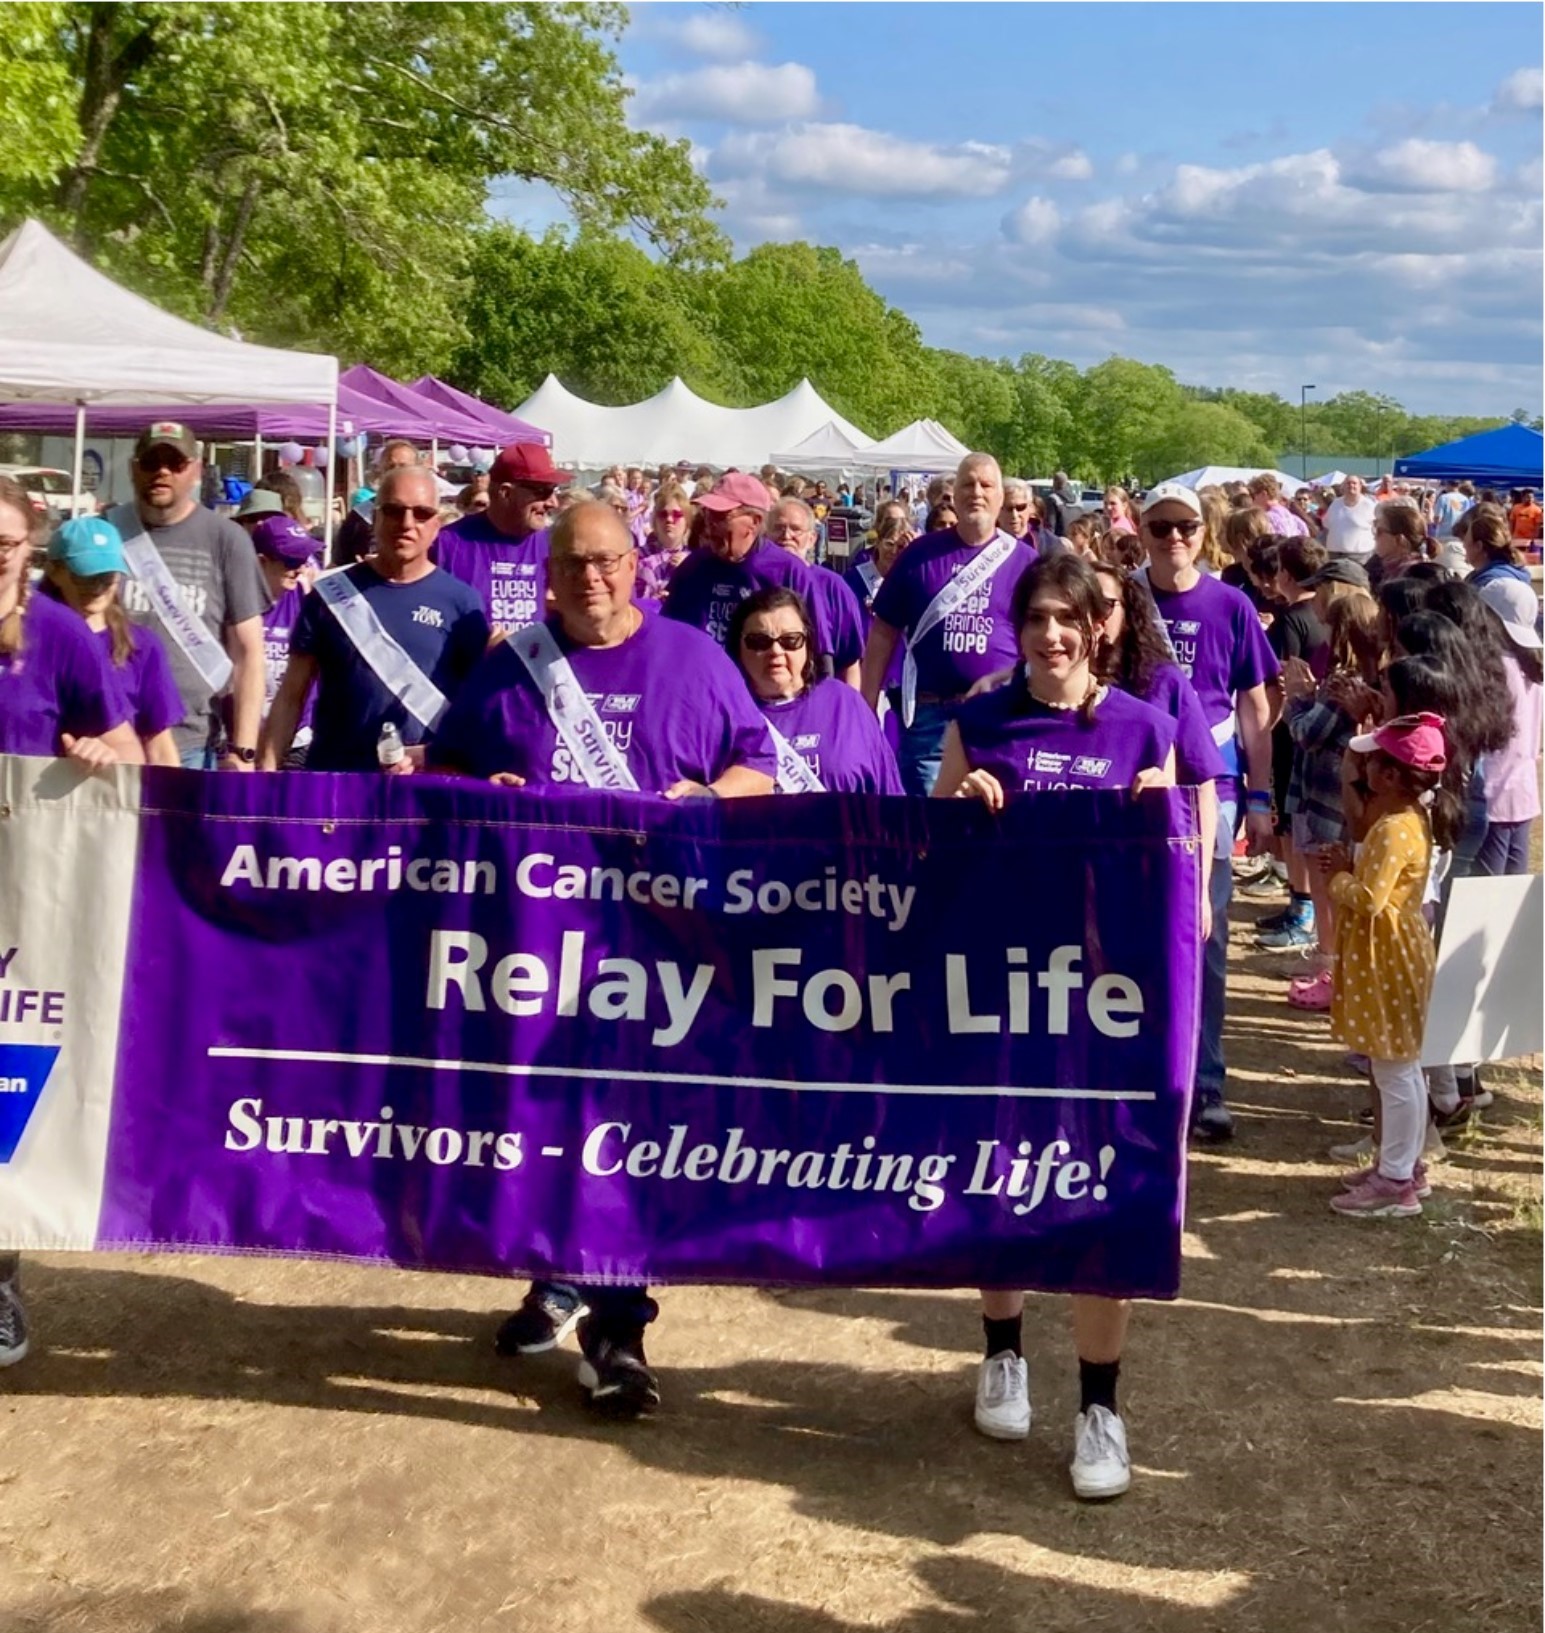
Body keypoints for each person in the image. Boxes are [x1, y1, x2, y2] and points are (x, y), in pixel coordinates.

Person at [428, 502, 776, 1419]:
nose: (592, 578)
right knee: (543, 1119)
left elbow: (759, 767)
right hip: (534, 952)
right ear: (549, 574)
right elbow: (445, 772)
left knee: (628, 1130)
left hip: (656, 950)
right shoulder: (510, 669)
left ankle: (619, 1328)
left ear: (637, 568)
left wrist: (708, 794)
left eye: (608, 561)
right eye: (574, 564)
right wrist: (476, 789)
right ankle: (557, 1273)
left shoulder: (694, 660)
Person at [935, 553, 1179, 1502]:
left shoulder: (1143, 729)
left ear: (1098, 627)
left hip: (1103, 1008)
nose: (1050, 636)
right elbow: (925, 869)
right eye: (1034, 618)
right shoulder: (981, 720)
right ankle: (1002, 1351)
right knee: (999, 1174)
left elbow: (1179, 892)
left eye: (1067, 619)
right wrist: (957, 810)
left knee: (1097, 1191)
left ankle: (1100, 1407)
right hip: (999, 993)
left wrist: (1161, 821)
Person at [1139, 483, 1278, 1141]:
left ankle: (1206, 1083)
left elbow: (1254, 707)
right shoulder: (1120, 599)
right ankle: (1143, 1077)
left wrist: (1258, 795)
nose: (1173, 539)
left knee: (1206, 939)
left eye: (1184, 527)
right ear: (1141, 532)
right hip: (1135, 789)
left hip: (1208, 790)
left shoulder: (1230, 604)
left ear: (1203, 532)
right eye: (1160, 526)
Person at [260, 466, 489, 771]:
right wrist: (266, 769)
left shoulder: (462, 603)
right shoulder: (328, 595)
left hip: (421, 789)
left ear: (436, 525)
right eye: (394, 511)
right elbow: (291, 695)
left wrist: (437, 756)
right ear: (376, 518)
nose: (407, 523)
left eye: (421, 513)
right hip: (336, 783)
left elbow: (477, 707)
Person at [1321, 713, 1459, 1217]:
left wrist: (1339, 875)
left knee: (1396, 1069)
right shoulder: (1405, 821)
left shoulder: (1394, 828)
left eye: (1374, 762)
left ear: (1391, 776)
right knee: (1396, 1067)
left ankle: (1396, 1178)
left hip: (1390, 956)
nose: (1366, 769)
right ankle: (1400, 1166)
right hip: (1393, 953)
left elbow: (1371, 899)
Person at [862, 453, 1038, 795]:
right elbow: (883, 631)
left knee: (996, 822)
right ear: (953, 495)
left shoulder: (1027, 564)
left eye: (986, 485)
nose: (976, 492)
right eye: (967, 484)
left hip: (1000, 713)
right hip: (931, 716)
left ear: (1000, 497)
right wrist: (867, 703)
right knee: (929, 828)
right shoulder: (919, 554)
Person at [108, 422, 268, 771]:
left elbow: (249, 652)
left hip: (193, 746)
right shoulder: (104, 534)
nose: (162, 472)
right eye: (152, 461)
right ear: (134, 469)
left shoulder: (228, 540)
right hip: (108, 739)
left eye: (175, 463)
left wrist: (243, 752)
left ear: (195, 470)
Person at [665, 474, 863, 685]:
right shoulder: (693, 569)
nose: (710, 525)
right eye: (708, 515)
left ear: (755, 522)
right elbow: (668, 642)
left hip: (766, 706)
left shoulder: (788, 572)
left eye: (721, 517)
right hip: (704, 697)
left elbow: (819, 656)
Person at [726, 587, 901, 794]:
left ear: (808, 645)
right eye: (759, 642)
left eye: (790, 640)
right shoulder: (726, 717)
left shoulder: (846, 705)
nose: (775, 651)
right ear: (738, 649)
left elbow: (890, 795)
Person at [38, 516, 181, 767]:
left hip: (109, 797)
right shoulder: (27, 638)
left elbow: (159, 745)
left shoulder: (143, 647)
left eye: (107, 576)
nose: (97, 587)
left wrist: (168, 801)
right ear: (54, 571)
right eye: (85, 575)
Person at [434, 442, 571, 636]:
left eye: (554, 491)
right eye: (542, 492)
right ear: (505, 492)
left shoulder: (556, 547)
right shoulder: (447, 544)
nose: (552, 503)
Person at [250, 517, 319, 765]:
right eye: (291, 561)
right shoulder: (238, 607)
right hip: (245, 738)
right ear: (261, 562)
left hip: (295, 741)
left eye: (303, 559)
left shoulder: (305, 599)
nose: (300, 568)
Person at [333, 439, 420, 567]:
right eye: (390, 466)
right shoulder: (360, 515)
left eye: (403, 466)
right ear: (381, 470)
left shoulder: (426, 513)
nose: (395, 472)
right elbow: (339, 560)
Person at [635, 483, 692, 601]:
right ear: (654, 520)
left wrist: (688, 569)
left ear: (687, 521)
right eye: (663, 514)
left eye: (677, 515)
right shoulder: (637, 557)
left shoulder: (696, 560)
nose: (669, 520)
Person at [1367, 502, 1427, 590]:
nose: (1375, 536)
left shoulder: (1411, 579)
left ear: (1399, 539)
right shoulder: (1379, 566)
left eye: (1379, 531)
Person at [1323, 475, 1378, 563]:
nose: (1351, 486)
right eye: (1348, 483)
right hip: (1334, 554)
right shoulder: (1335, 503)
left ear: (1360, 486)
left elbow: (1377, 527)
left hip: (1360, 555)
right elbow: (1327, 524)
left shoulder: (1369, 505)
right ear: (1343, 487)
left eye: (1354, 483)